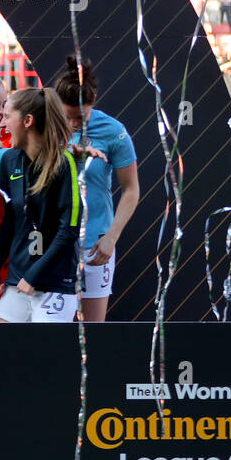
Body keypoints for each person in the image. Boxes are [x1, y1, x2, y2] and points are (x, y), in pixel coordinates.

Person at [53, 57, 140, 322]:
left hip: (94, 245)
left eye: (81, 118)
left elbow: (131, 189)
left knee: (92, 333)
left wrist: (111, 237)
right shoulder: (44, 124)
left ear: (94, 101)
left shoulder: (114, 132)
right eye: (67, 117)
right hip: (52, 245)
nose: (73, 125)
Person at [0, 90, 81, 323]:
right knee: (1, 352)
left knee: (44, 356)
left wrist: (33, 276)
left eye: (8, 116)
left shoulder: (64, 162)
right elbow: (10, 218)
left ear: (27, 121)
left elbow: (68, 230)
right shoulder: (10, 160)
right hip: (19, 278)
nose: (3, 123)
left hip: (54, 281)